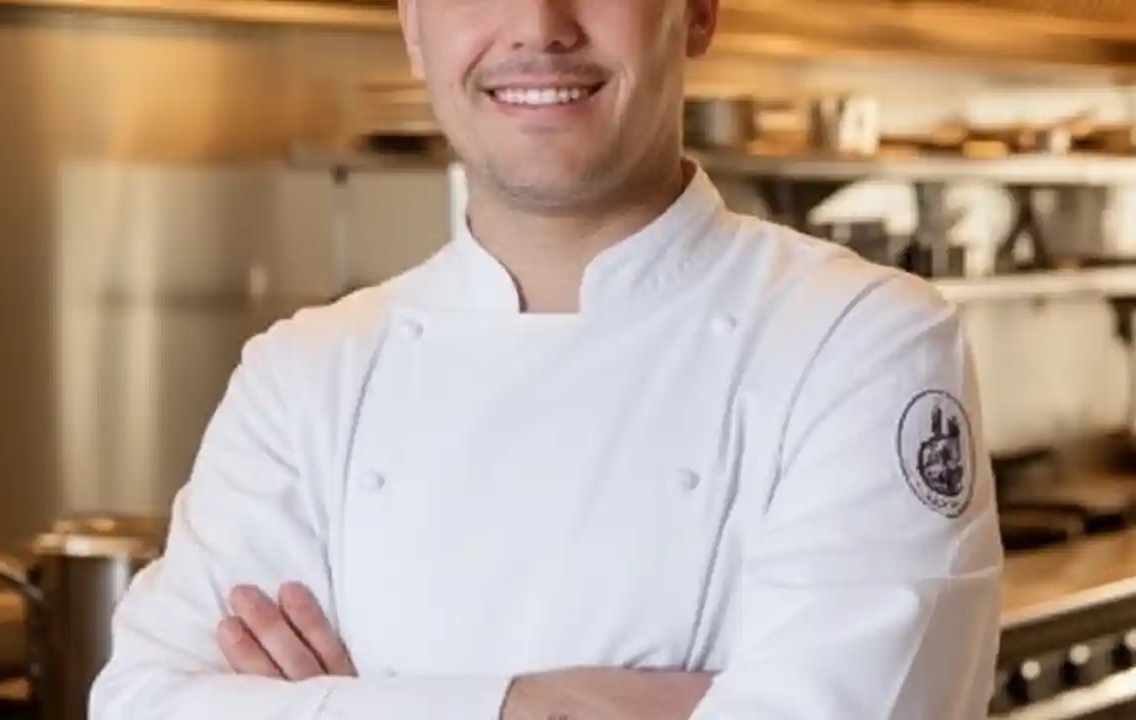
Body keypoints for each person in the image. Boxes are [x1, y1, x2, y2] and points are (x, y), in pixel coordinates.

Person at [90, 0, 1003, 717]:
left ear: (699, 9)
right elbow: (143, 703)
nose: (537, 26)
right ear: (413, 24)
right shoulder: (305, 375)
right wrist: (540, 708)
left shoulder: (861, 341)